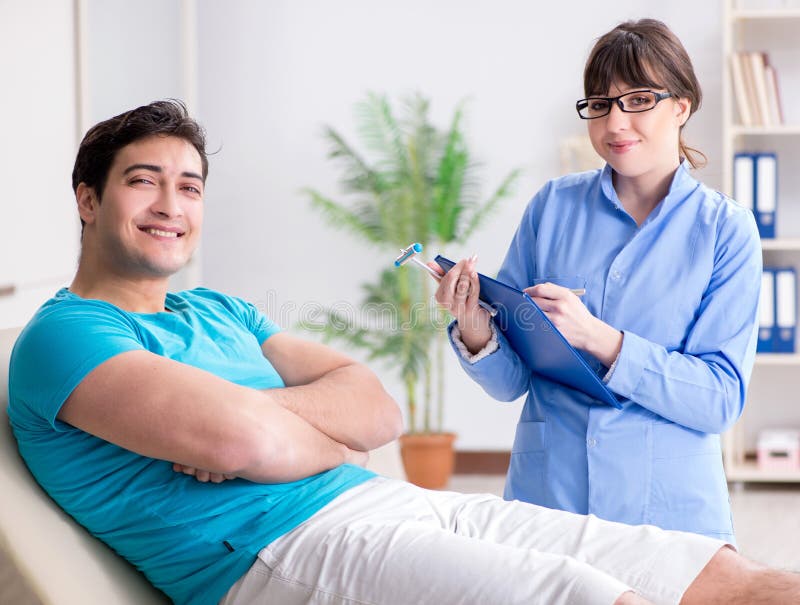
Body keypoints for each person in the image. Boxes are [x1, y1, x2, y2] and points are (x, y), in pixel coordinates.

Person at [7, 99, 798, 605]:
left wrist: (273, 429)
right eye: (145, 182)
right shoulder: (68, 333)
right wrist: (278, 432)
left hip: (381, 504)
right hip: (274, 552)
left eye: (190, 187)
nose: (172, 206)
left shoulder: (221, 308)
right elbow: (243, 439)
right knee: (594, 594)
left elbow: (377, 408)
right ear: (88, 199)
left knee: (701, 568)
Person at [432, 18, 760, 544]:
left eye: (637, 100)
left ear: (682, 106)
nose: (614, 122)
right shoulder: (552, 206)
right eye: (600, 104)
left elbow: (718, 399)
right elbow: (511, 380)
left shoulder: (726, 231)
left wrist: (599, 338)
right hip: (550, 499)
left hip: (669, 513)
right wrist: (474, 325)